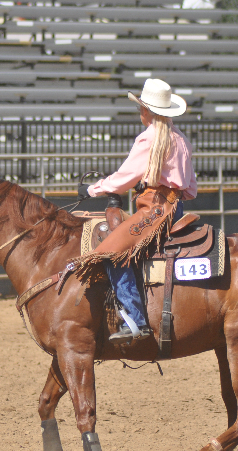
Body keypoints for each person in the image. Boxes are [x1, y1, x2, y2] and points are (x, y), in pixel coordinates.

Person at [74, 78, 198, 345]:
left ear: (146, 110)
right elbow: (190, 188)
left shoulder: (149, 138)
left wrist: (93, 189)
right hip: (175, 206)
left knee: (112, 250)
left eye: (140, 107)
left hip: (156, 208)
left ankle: (135, 320)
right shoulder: (181, 139)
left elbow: (124, 177)